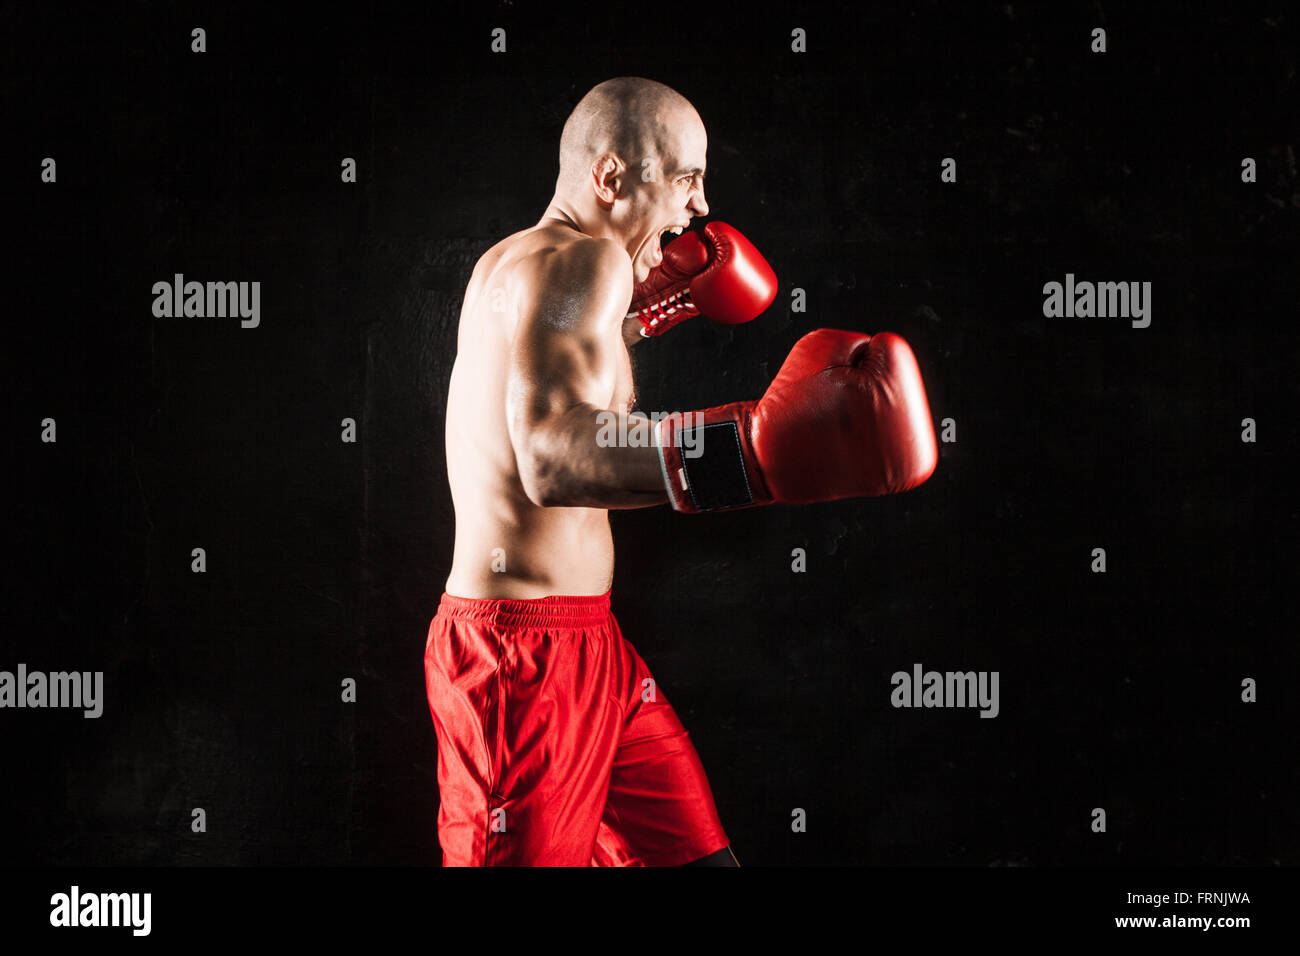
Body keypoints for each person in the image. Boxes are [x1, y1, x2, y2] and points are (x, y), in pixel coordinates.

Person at [424, 77, 938, 866]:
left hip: (592, 647)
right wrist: (752, 451)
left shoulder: (520, 262)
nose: (699, 207)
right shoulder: (584, 264)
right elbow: (551, 457)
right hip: (522, 664)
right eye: (687, 178)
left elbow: (549, 375)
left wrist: (644, 312)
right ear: (611, 177)